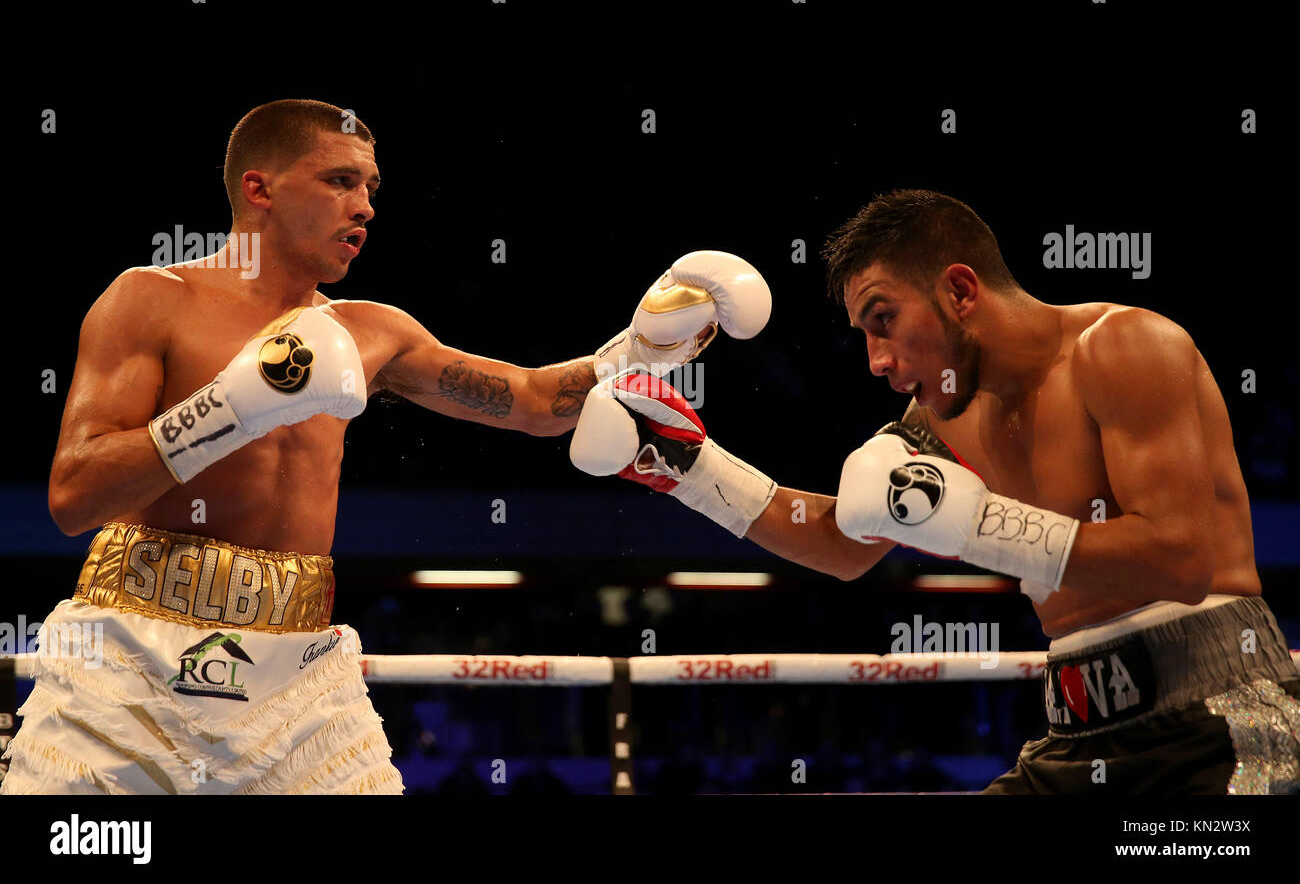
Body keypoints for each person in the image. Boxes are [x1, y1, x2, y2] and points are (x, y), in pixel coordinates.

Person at [0, 99, 771, 795]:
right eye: (340, 181)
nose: (365, 206)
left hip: (298, 677)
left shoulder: (370, 332)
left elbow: (533, 403)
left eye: (371, 187)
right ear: (259, 189)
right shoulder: (150, 298)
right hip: (128, 658)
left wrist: (640, 350)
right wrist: (231, 406)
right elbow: (73, 496)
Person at [570, 188, 1300, 795]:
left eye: (884, 320)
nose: (876, 361)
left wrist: (979, 527)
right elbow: (842, 542)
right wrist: (692, 468)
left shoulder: (1125, 348)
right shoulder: (945, 412)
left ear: (959, 290)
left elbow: (1180, 560)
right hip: (1075, 730)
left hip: (1217, 720)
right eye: (862, 333)